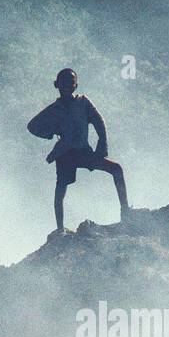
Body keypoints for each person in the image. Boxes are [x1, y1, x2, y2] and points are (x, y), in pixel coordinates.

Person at [27, 68, 129, 232]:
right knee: (60, 189)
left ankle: (126, 212)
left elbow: (99, 121)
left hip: (83, 151)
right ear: (56, 85)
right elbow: (32, 126)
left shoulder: (83, 102)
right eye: (64, 83)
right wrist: (50, 133)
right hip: (65, 155)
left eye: (71, 83)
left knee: (116, 169)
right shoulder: (54, 109)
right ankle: (60, 228)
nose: (67, 86)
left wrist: (102, 143)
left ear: (76, 86)